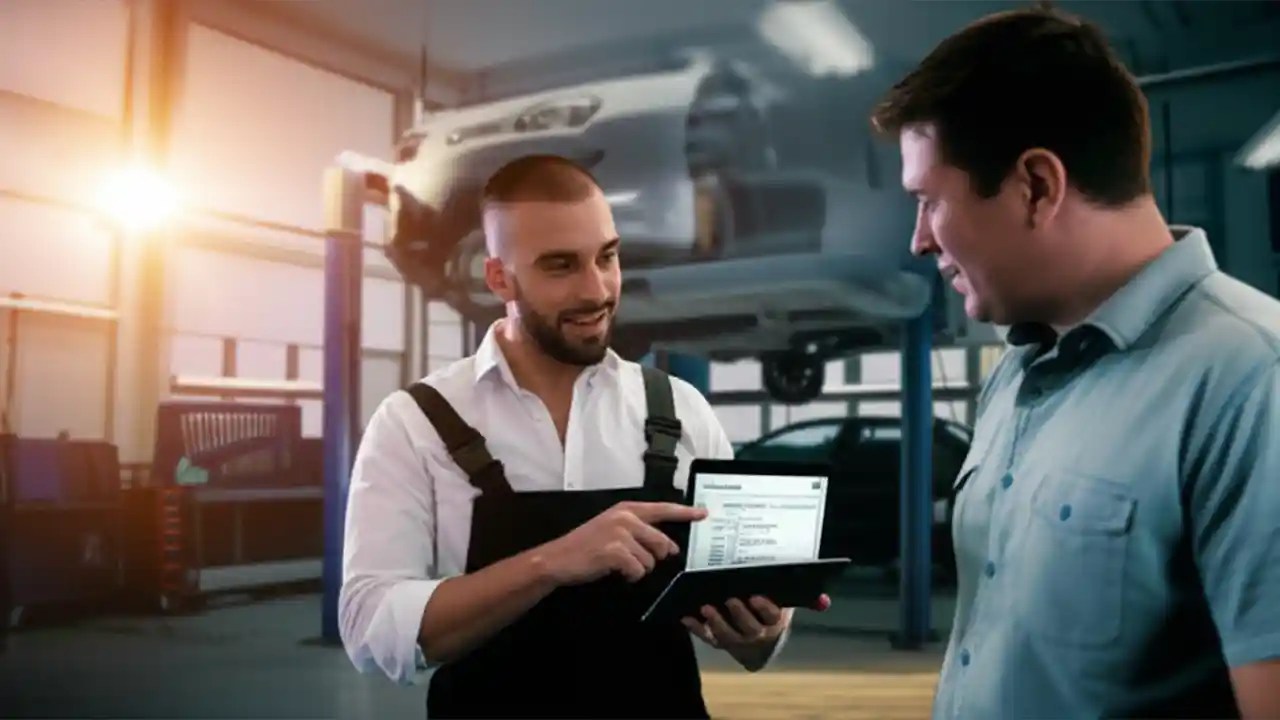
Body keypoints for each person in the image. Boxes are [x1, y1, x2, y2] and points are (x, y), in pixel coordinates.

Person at [870, 6, 1280, 719]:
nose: (919, 242)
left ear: (1036, 185)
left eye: (929, 202)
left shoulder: (1251, 382)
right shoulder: (1018, 373)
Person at [339, 154, 815, 718]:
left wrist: (758, 631)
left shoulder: (681, 411)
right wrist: (553, 562)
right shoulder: (415, 423)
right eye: (561, 266)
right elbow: (370, 626)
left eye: (607, 257)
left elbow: (755, 642)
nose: (597, 290)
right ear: (499, 278)